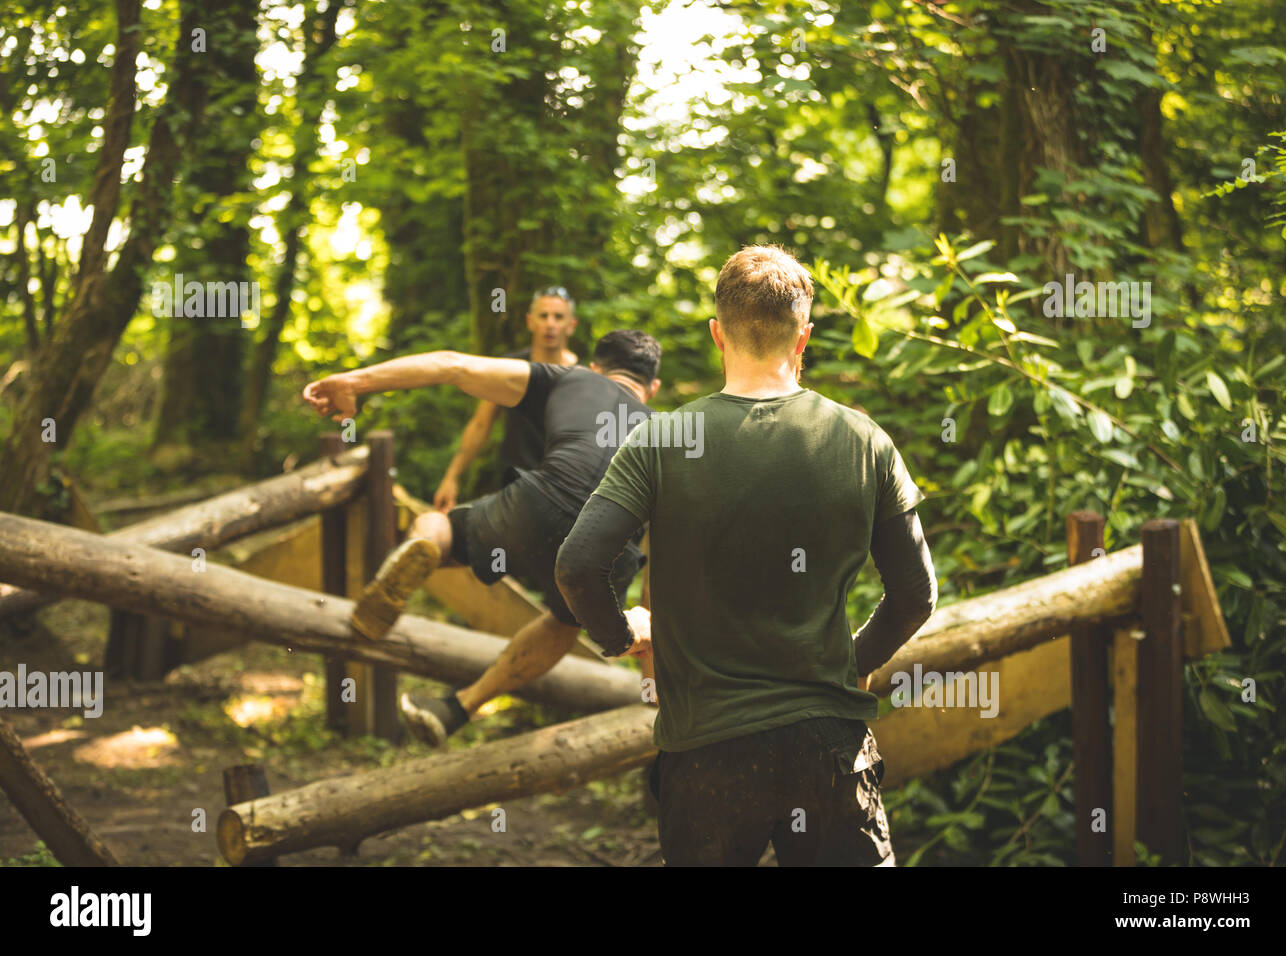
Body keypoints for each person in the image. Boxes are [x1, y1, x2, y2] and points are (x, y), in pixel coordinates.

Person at [555, 245, 937, 867]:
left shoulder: (661, 439)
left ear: (716, 334)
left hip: (705, 752)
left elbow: (577, 565)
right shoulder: (864, 441)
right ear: (804, 337)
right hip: (828, 746)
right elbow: (916, 595)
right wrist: (855, 661)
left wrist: (621, 634)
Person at [302, 330, 662, 745]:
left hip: (534, 506)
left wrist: (353, 382)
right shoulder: (664, 436)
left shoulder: (570, 379)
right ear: (652, 387)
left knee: (445, 526)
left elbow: (454, 365)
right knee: (566, 621)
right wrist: (651, 691)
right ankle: (460, 707)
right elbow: (658, 580)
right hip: (608, 549)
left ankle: (426, 548)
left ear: (595, 367)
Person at [433, 287, 580, 512]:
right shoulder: (509, 367)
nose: (550, 323)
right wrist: (451, 477)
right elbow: (481, 423)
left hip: (566, 489)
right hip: (515, 484)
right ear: (530, 322)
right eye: (543, 316)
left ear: (571, 325)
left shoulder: (585, 376)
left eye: (558, 317)